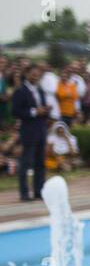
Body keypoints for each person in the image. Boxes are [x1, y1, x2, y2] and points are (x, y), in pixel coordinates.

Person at [12, 65, 49, 201]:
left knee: (40, 163)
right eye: (33, 74)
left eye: (37, 74)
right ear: (26, 74)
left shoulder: (40, 90)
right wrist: (34, 112)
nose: (35, 77)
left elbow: (42, 109)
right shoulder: (20, 91)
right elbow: (15, 111)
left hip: (41, 130)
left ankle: (39, 191)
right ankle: (24, 193)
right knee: (26, 163)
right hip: (28, 131)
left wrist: (45, 111)